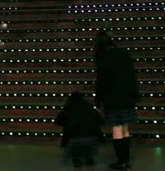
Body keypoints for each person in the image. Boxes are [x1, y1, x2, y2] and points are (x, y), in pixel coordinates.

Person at [94, 31, 139, 170]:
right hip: (128, 97)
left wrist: (98, 101)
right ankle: (126, 160)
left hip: (113, 98)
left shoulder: (103, 57)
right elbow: (132, 76)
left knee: (117, 129)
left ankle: (121, 161)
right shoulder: (124, 53)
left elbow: (101, 82)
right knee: (125, 129)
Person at [54, 92, 104, 168]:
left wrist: (68, 122)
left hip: (73, 140)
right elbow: (101, 121)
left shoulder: (68, 107)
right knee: (88, 143)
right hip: (92, 140)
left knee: (74, 143)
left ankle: (76, 160)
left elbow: (57, 121)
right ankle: (89, 158)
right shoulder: (90, 107)